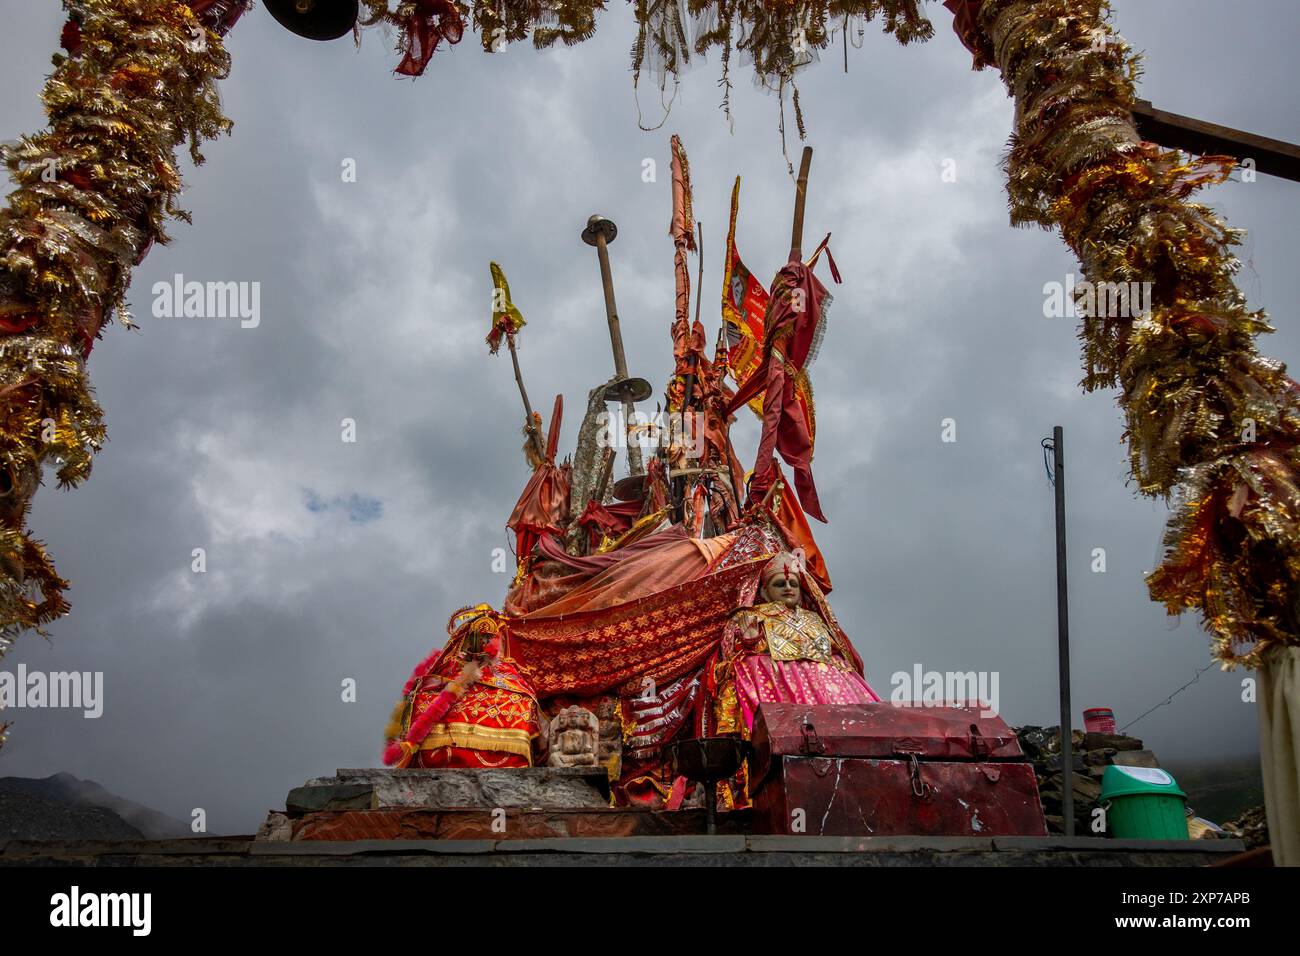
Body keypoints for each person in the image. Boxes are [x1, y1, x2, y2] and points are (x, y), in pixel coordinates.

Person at [715, 551, 879, 736]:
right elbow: (730, 654)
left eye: (793, 583)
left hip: (828, 680)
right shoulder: (754, 614)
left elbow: (836, 649)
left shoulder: (814, 618)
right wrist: (749, 641)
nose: (788, 587)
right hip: (778, 678)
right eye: (779, 584)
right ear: (765, 592)